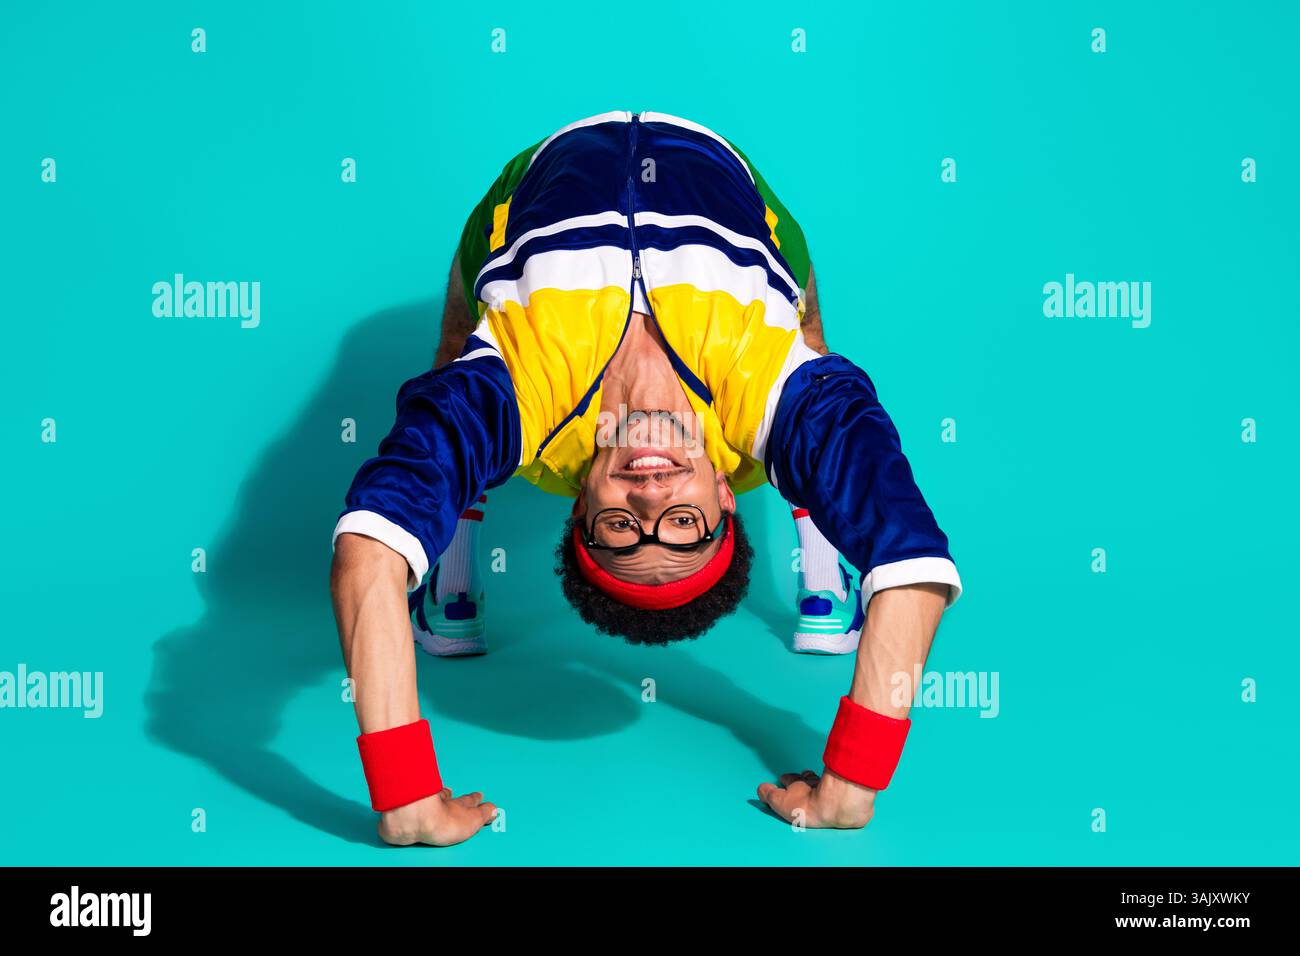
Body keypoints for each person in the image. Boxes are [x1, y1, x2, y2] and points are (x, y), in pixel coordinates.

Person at [330, 111, 962, 847]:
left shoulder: (522, 395)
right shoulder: (764, 396)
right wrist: (850, 787)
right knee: (812, 349)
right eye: (686, 525)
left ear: (580, 509)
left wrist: (406, 794)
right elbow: (914, 563)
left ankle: (447, 575)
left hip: (545, 164)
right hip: (727, 171)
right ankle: (826, 569)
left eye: (620, 528)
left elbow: (367, 550)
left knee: (447, 363)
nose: (653, 499)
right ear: (725, 494)